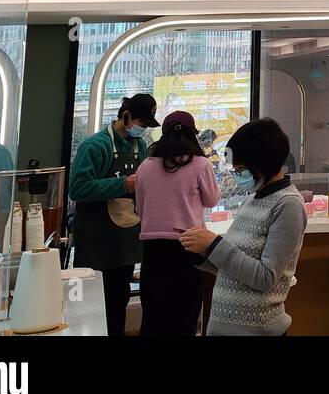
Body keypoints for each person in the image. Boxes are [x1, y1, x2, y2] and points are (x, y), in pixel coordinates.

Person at [180, 118, 306, 336]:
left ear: (262, 163)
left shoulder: (288, 205)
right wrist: (202, 253)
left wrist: (214, 244)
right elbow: (232, 267)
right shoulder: (252, 198)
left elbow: (265, 278)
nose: (237, 174)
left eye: (240, 168)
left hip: (258, 330)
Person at [69, 93, 158, 336]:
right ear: (126, 115)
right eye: (141, 123)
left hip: (126, 239)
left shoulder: (139, 146)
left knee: (119, 300)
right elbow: (77, 189)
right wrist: (122, 185)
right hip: (96, 240)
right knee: (94, 304)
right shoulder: (96, 146)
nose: (142, 129)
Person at [134, 110, 220, 336]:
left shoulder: (146, 166)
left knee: (153, 318)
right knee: (185, 319)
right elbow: (211, 200)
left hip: (152, 252)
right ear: (193, 135)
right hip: (188, 247)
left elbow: (139, 209)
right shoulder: (201, 164)